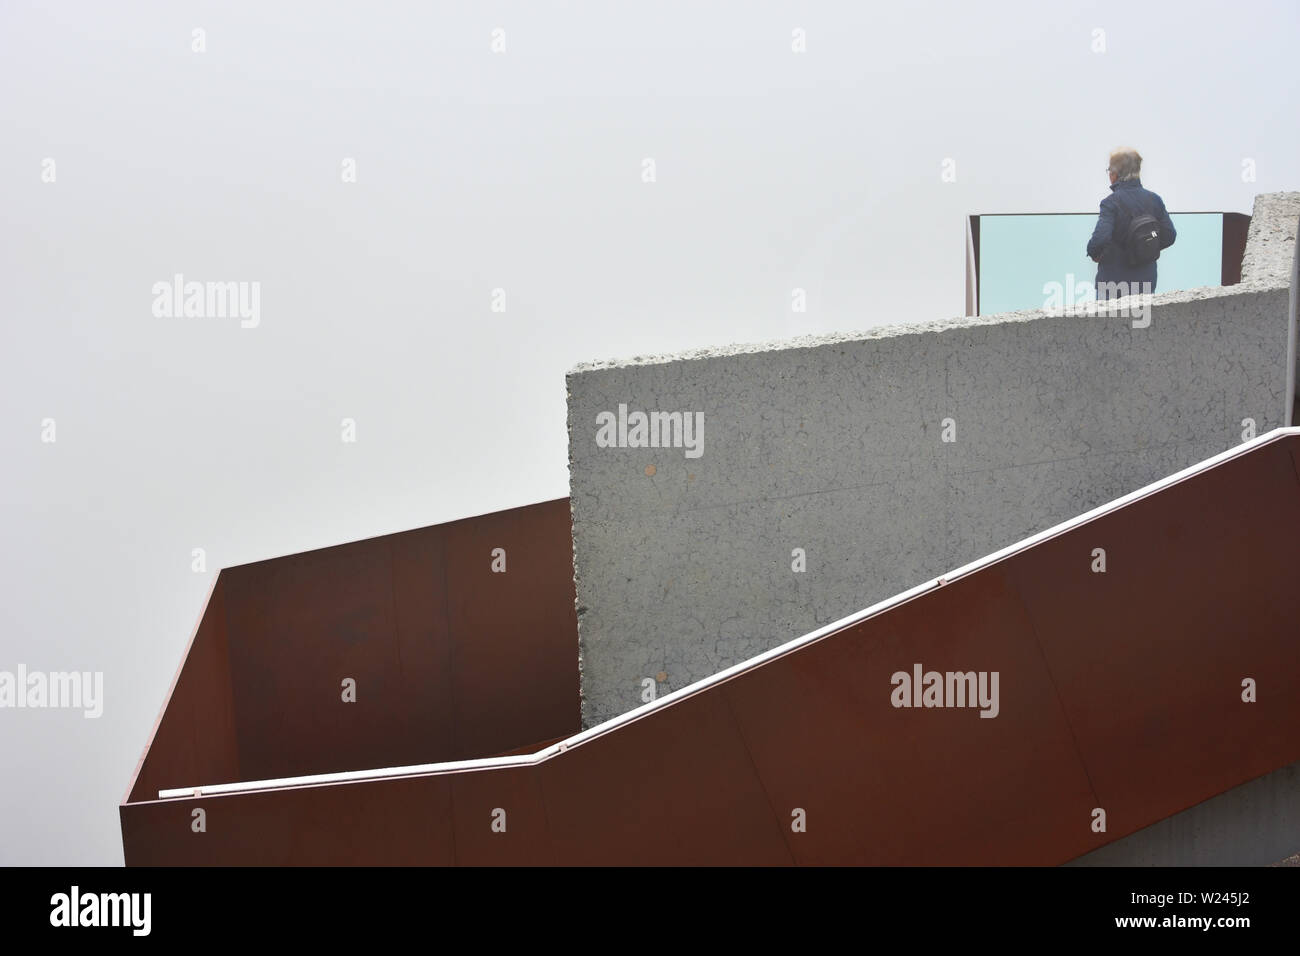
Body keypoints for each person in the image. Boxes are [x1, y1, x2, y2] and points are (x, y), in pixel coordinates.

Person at [1086, 148, 1176, 301]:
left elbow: (1100, 239)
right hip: (1145, 282)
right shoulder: (1154, 200)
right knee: (1140, 324)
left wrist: (1093, 253)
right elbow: (1169, 235)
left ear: (1115, 173)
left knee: (1108, 325)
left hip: (1112, 283)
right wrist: (1145, 245)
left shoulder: (1110, 203)